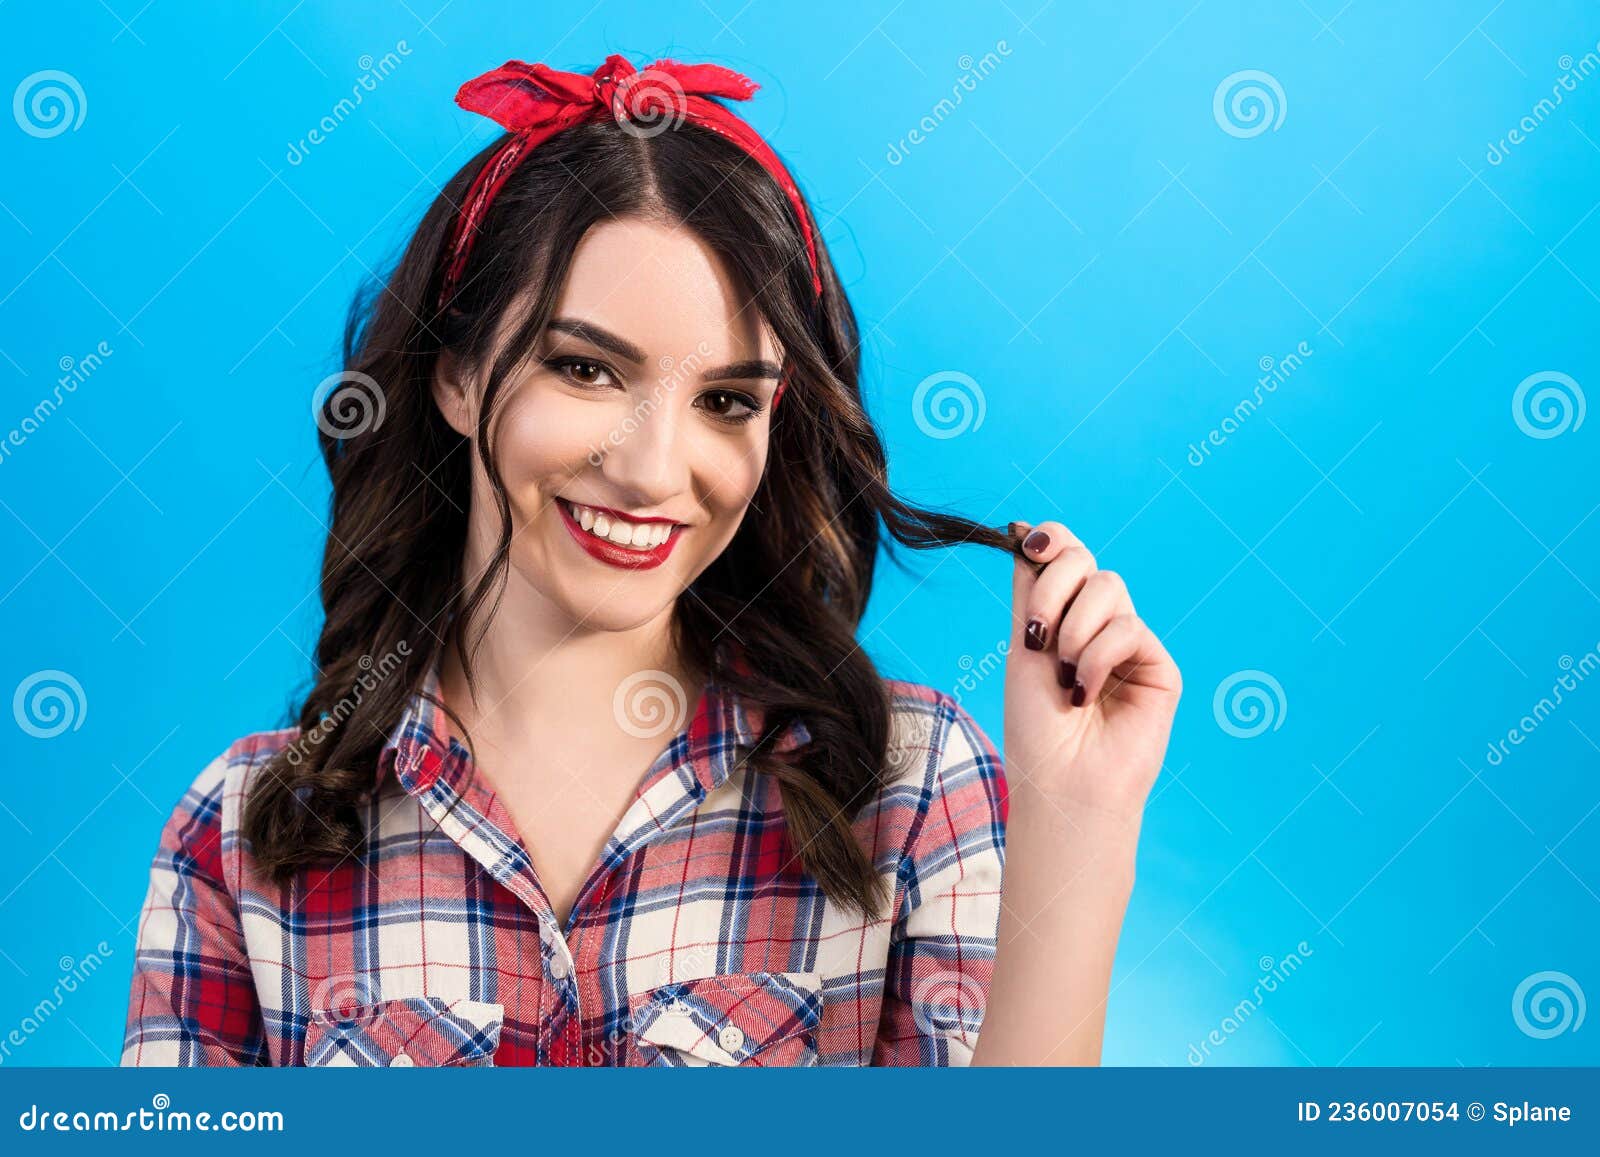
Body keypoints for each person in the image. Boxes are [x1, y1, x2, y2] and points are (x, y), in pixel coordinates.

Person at [121, 53, 1180, 1068]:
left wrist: (1080, 823)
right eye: (584, 368)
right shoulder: (243, 831)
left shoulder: (909, 789)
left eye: (724, 401)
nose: (652, 468)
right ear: (452, 376)